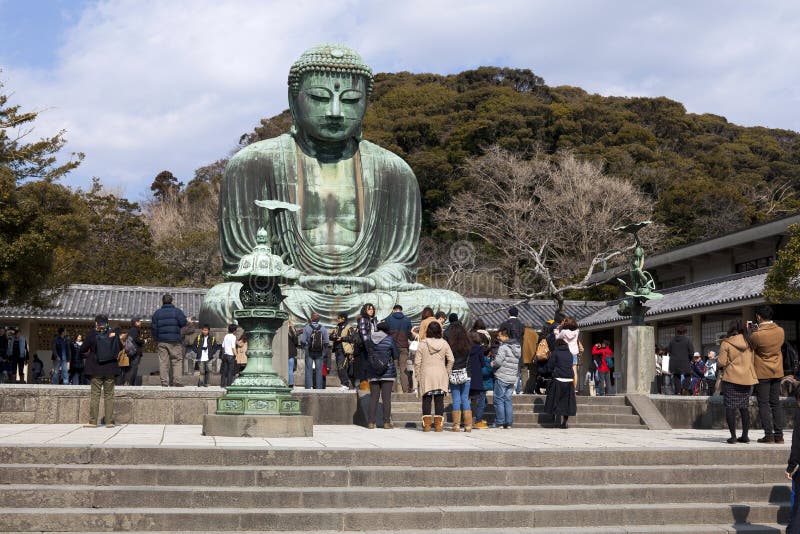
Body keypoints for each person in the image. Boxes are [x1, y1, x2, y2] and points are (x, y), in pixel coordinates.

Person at [198, 43, 469, 329]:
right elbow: (242, 261)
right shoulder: (252, 163)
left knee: (452, 305)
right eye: (319, 97)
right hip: (292, 292)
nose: (336, 111)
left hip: (369, 293)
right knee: (223, 300)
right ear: (293, 100)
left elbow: (401, 263)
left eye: (351, 100)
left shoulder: (395, 171)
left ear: (366, 103)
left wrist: (373, 280)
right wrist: (294, 277)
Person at [749, 305, 786, 444]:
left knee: (763, 403)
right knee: (775, 403)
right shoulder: (780, 331)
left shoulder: (757, 335)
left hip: (762, 372)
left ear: (758, 317)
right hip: (777, 370)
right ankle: (779, 435)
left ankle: (768, 435)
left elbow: (751, 348)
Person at [717, 320, 758, 444]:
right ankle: (745, 436)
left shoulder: (726, 342)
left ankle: (733, 436)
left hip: (731, 378)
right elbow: (752, 360)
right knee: (744, 407)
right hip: (747, 379)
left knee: (730, 407)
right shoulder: (749, 342)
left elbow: (722, 362)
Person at [80, 314, 122, 428]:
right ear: (107, 323)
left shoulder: (92, 334)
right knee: (109, 395)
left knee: (95, 395)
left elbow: (82, 349)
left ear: (96, 323)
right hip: (111, 369)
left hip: (95, 369)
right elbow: (120, 348)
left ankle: (93, 422)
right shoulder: (113, 333)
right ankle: (109, 421)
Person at [413, 321, 454, 432]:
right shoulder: (444, 343)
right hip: (440, 375)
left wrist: (417, 375)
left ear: (428, 331)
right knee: (439, 401)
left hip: (426, 375)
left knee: (426, 401)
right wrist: (447, 371)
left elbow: (417, 362)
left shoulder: (422, 343)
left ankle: (426, 426)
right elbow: (451, 359)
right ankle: (438, 426)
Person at [150, 293, 188, 387]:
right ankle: (177, 381)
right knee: (177, 361)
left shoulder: (157, 313)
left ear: (162, 301)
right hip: (175, 340)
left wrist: (157, 338)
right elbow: (183, 323)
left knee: (163, 362)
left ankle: (164, 382)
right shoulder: (177, 312)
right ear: (172, 301)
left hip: (162, 341)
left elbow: (154, 328)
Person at [366, 321, 398, 429]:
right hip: (387, 372)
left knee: (374, 398)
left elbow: (368, 354)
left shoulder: (370, 339)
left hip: (373, 371)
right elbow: (396, 355)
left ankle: (371, 422)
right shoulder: (389, 339)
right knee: (386, 398)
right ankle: (386, 423)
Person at [543, 339, 577, 428]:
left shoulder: (555, 353)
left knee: (554, 399)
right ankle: (565, 421)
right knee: (566, 402)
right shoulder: (570, 354)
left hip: (558, 378)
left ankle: (553, 417)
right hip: (569, 379)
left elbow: (550, 366)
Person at [446, 319, 473, 432]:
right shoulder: (468, 345)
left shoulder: (450, 346)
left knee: (456, 399)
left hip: (453, 373)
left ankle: (456, 425)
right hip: (466, 373)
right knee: (465, 398)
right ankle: (468, 425)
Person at [491, 327, 520, 429]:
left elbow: (498, 361)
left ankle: (499, 421)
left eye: (499, 336)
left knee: (498, 399)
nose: (499, 338)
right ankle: (508, 423)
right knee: (507, 399)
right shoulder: (517, 347)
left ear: (505, 336)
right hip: (512, 377)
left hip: (502, 376)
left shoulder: (504, 347)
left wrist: (493, 363)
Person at [385, 304, 413, 393]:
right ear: (401, 310)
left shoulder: (388, 320)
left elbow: (386, 334)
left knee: (393, 368)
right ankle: (405, 389)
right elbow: (410, 335)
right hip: (404, 347)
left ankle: (393, 390)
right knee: (403, 368)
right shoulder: (407, 320)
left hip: (392, 348)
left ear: (393, 310)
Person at [301, 312, 329, 390]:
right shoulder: (323, 328)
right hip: (319, 352)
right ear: (318, 319)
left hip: (309, 350)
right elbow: (326, 341)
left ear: (311, 318)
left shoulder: (307, 327)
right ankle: (319, 388)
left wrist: (306, 346)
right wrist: (323, 349)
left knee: (308, 369)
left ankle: (308, 387)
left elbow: (303, 340)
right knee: (319, 370)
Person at [468, 331, 490, 429]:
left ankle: (465, 420)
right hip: (476, 377)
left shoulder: (466, 348)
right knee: (474, 400)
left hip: (467, 375)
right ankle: (473, 421)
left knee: (465, 399)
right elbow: (482, 364)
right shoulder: (480, 349)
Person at [555, 316, 581, 393]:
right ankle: (573, 389)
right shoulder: (577, 331)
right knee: (574, 371)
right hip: (574, 353)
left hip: (566, 352)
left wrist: (557, 329)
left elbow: (557, 338)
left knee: (565, 370)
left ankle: (565, 389)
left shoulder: (563, 332)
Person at [355, 303, 378, 389]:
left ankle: (371, 383)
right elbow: (363, 333)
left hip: (373, 344)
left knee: (371, 365)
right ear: (365, 310)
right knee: (364, 365)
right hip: (365, 346)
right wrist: (367, 345)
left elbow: (376, 332)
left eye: (372, 309)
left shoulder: (374, 320)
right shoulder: (363, 319)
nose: (371, 311)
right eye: (369, 309)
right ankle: (364, 384)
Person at [330, 313, 355, 390]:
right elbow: (330, 336)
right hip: (337, 349)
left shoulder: (349, 327)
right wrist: (333, 337)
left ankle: (345, 384)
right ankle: (344, 383)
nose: (338, 319)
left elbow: (352, 338)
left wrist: (342, 338)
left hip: (344, 350)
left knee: (342, 367)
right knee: (339, 367)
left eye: (339, 318)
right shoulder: (337, 327)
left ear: (343, 318)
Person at [667, 327, 693, 395]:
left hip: (674, 362)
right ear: (685, 332)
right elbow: (691, 353)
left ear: (677, 332)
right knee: (688, 375)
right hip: (685, 361)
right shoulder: (688, 340)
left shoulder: (672, 341)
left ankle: (678, 391)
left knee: (676, 376)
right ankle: (685, 388)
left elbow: (669, 351)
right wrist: (689, 359)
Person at [121, 317, 144, 386]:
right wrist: (143, 341)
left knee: (131, 367)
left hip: (132, 352)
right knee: (133, 367)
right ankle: (129, 383)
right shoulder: (134, 330)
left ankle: (128, 382)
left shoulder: (132, 330)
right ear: (136, 322)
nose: (140, 323)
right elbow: (135, 340)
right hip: (135, 352)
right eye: (139, 321)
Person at [220, 324, 238, 388]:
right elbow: (233, 347)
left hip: (225, 355)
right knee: (230, 371)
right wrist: (236, 355)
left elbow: (223, 346)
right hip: (231, 355)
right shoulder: (233, 337)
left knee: (224, 370)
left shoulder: (226, 336)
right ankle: (229, 384)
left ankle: (222, 384)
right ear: (234, 330)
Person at [287, 319, 300, 387]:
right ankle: (290, 384)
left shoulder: (280, 329)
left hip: (283, 352)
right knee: (290, 369)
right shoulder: (292, 329)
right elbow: (296, 342)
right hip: (291, 352)